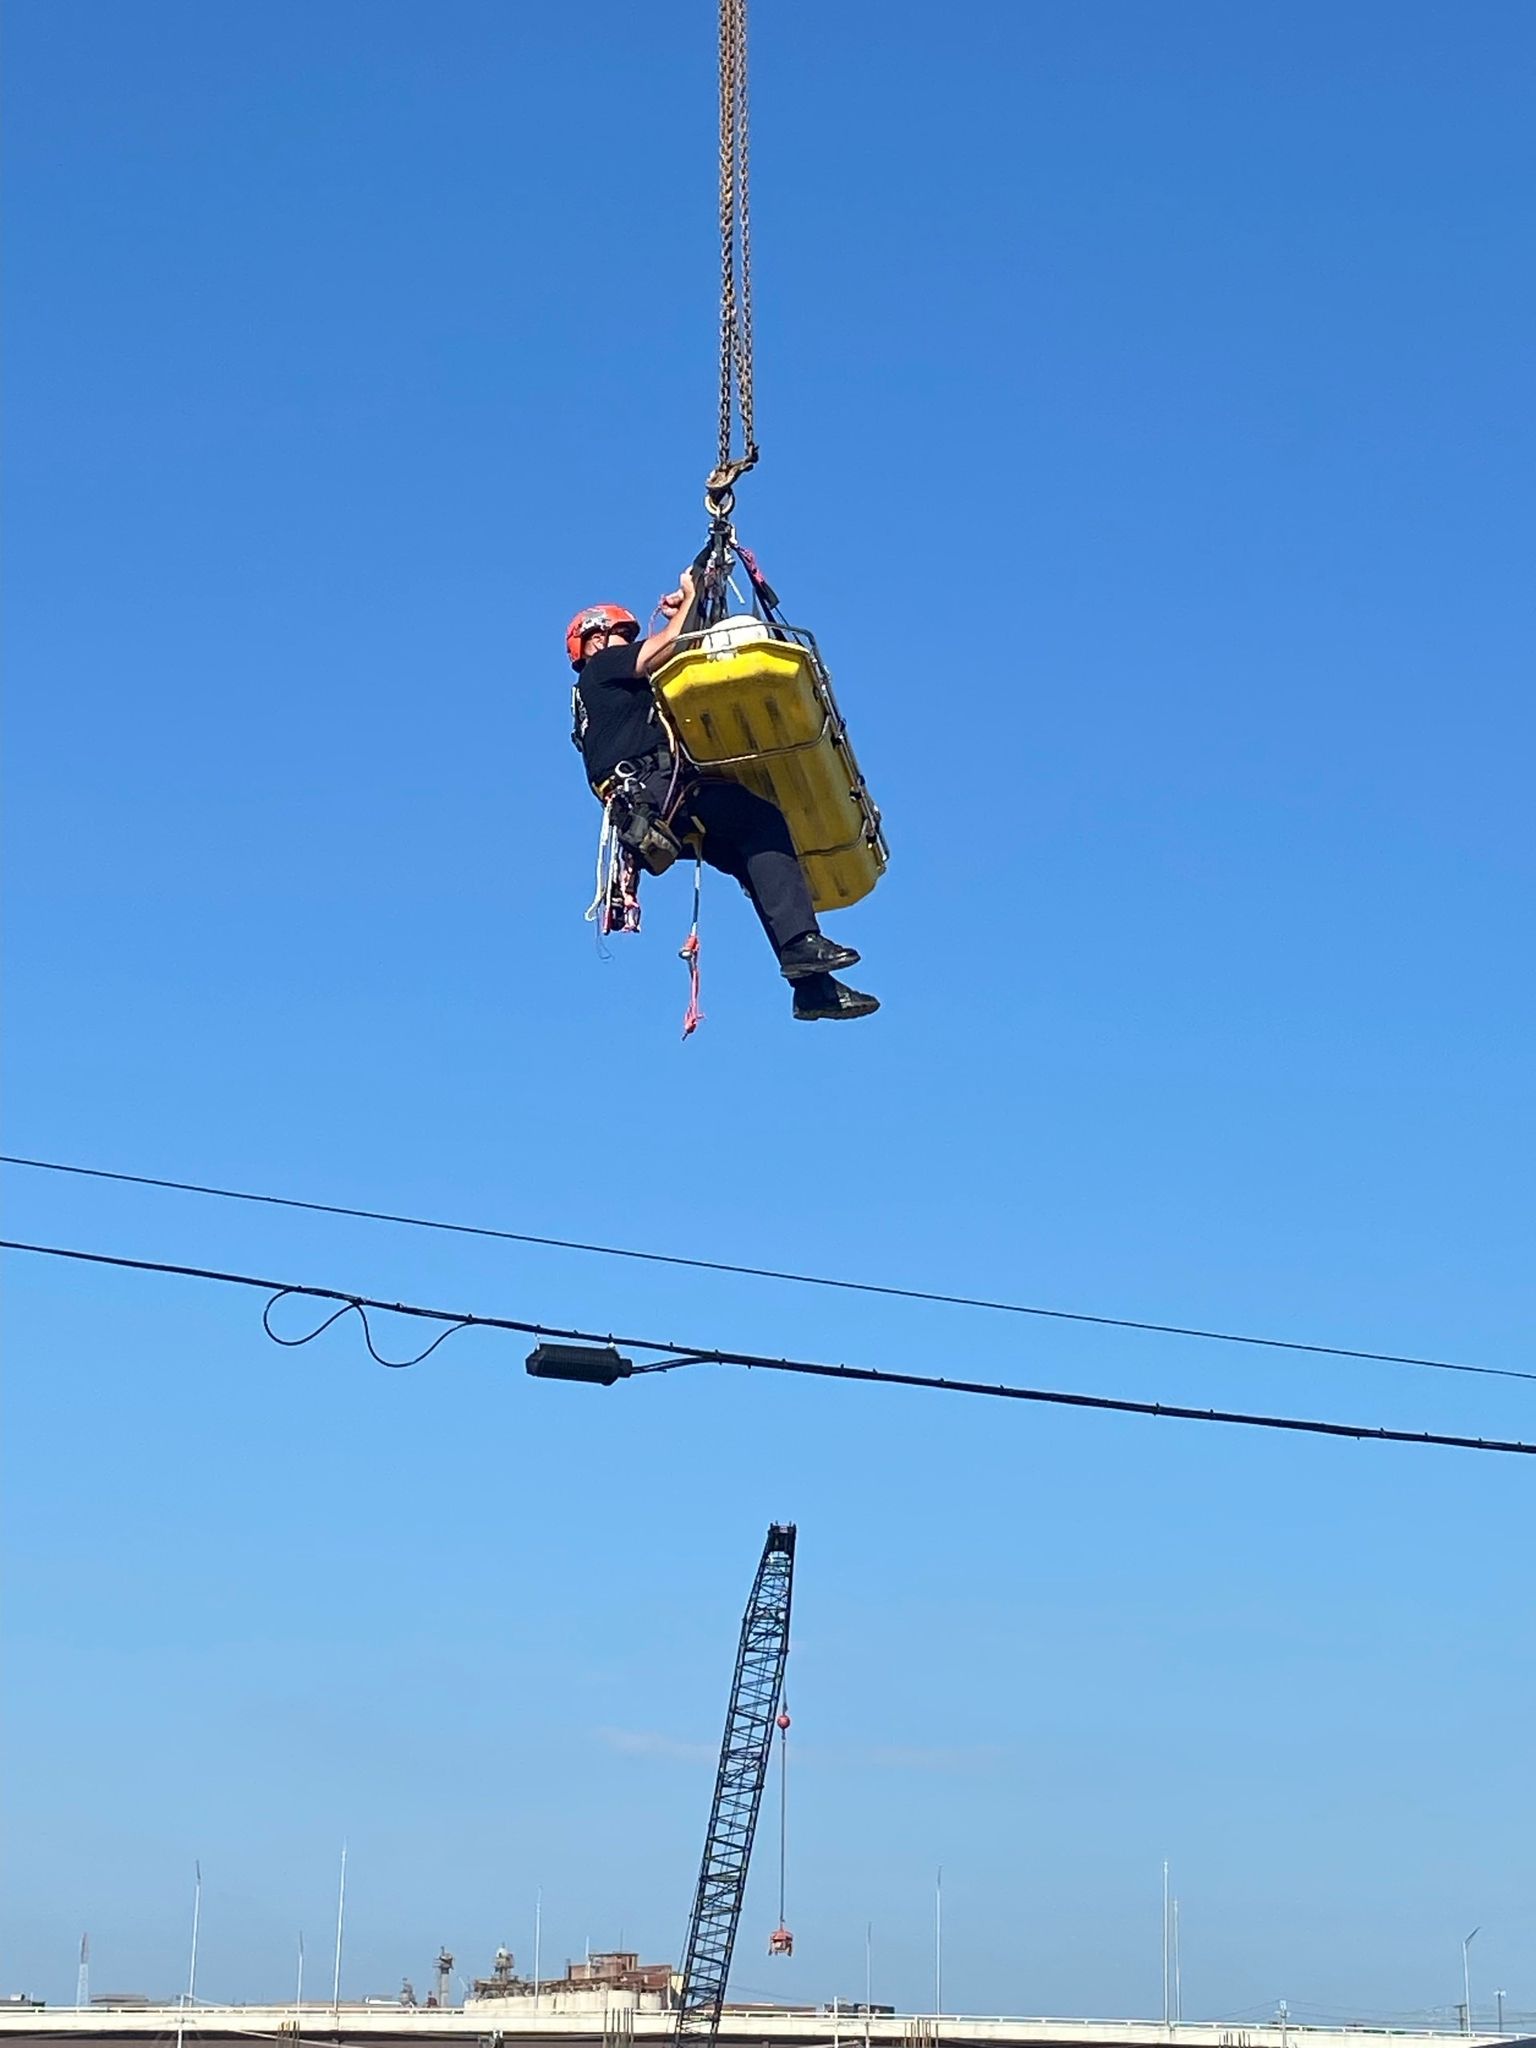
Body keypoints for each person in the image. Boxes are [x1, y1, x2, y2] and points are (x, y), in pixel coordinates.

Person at [567, 570, 879, 1022]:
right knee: (761, 822)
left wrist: (688, 612)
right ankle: (802, 949)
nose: (625, 643)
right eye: (619, 636)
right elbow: (665, 650)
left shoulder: (597, 699)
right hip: (659, 791)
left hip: (648, 807)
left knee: (752, 856)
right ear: (592, 642)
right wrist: (693, 592)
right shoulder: (601, 669)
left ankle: (811, 986)